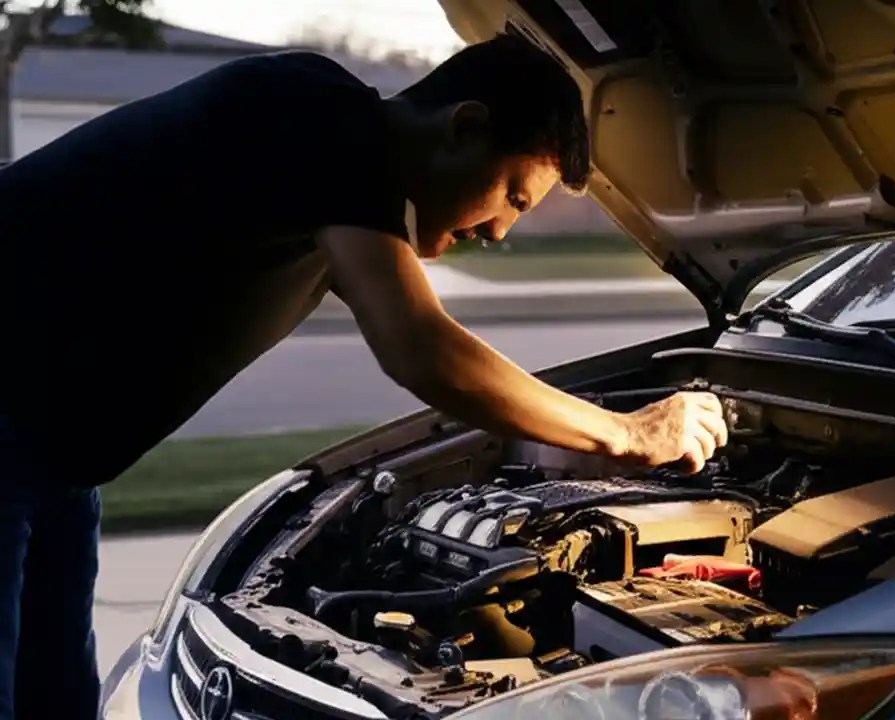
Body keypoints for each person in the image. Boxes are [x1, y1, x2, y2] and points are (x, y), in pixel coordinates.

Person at [0, 33, 727, 720]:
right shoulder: (322, 113)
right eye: (513, 195)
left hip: (54, 467)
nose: (503, 231)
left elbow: (424, 332)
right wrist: (628, 434)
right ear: (464, 128)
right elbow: (420, 347)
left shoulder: (327, 184)